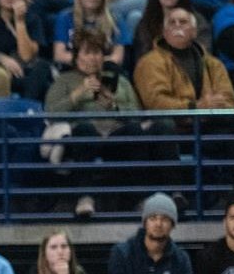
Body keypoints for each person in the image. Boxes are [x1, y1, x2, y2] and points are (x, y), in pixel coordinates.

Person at [44, 30, 153, 220]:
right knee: (85, 130)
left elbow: (136, 114)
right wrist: (77, 95)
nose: (93, 58)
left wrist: (115, 106)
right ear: (77, 56)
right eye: (87, 52)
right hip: (83, 138)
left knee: (135, 132)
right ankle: (85, 197)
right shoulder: (64, 81)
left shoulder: (120, 81)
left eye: (97, 53)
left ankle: (138, 198)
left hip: (114, 136)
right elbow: (51, 113)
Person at [133, 7, 234, 113]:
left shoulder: (213, 64)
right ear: (164, 32)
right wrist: (194, 107)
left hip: (209, 119)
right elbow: (156, 102)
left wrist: (216, 105)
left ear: (194, 32)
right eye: (172, 22)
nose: (177, 26)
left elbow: (229, 98)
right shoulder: (149, 62)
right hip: (173, 122)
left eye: (183, 22)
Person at [50, 0, 121, 70]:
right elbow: (59, 55)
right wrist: (86, 62)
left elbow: (117, 57)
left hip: (104, 71)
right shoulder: (65, 17)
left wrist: (94, 63)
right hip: (72, 70)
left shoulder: (115, 19)